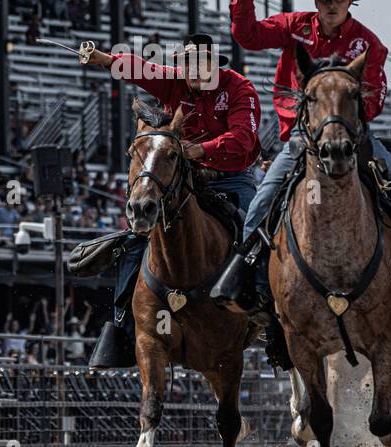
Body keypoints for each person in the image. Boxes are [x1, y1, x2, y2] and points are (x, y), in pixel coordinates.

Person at [211, 0, 391, 327]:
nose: (330, 5)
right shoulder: (296, 26)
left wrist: (341, 117)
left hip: (353, 139)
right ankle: (252, 280)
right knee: (261, 202)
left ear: (351, 1)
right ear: (315, 3)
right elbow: (249, 36)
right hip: (301, 139)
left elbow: (375, 98)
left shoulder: (368, 43)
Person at [78, 33, 261, 369]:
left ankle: (268, 314)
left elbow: (243, 139)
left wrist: (201, 149)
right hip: (183, 177)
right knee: (136, 238)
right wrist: (104, 59)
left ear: (213, 64)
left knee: (254, 234)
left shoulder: (239, 89)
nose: (192, 71)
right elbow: (141, 69)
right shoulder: (174, 83)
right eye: (187, 64)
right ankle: (121, 324)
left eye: (199, 63)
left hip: (232, 178)